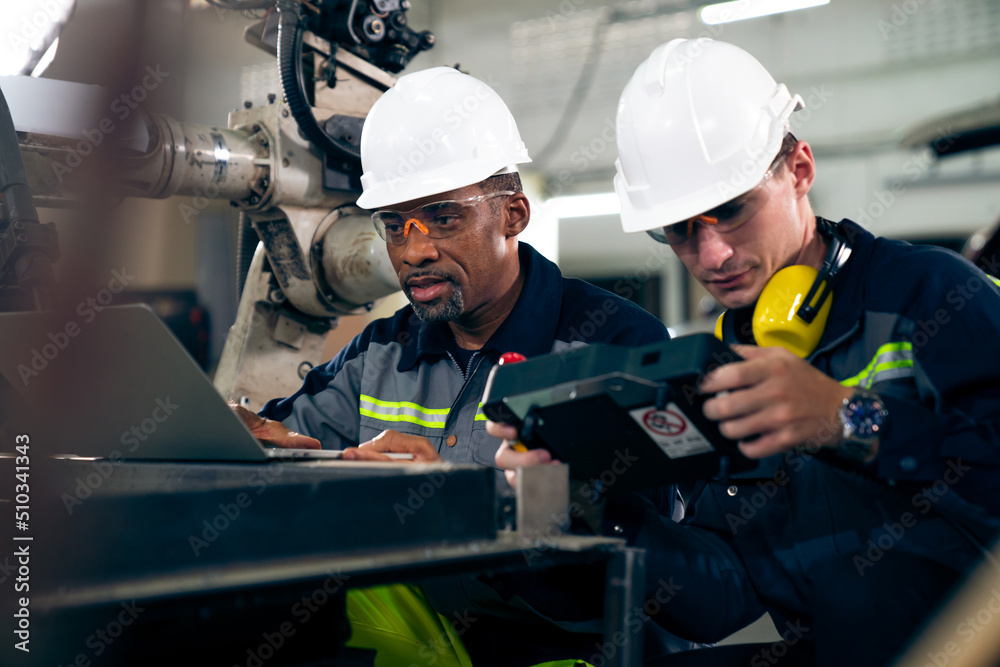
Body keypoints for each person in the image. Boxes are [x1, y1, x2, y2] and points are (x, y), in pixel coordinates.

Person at [493, 39, 1000, 666]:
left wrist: (847, 419)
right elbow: (725, 597)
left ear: (800, 170)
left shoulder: (931, 293)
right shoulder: (722, 364)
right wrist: (590, 510)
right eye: (678, 232)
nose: (711, 258)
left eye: (731, 212)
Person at [234, 66, 674, 667]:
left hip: (566, 646)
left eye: (444, 218)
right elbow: (296, 438)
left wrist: (464, 503)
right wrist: (258, 442)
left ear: (513, 214)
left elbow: (647, 561)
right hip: (437, 636)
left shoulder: (615, 346)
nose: (414, 251)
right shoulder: (381, 352)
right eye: (394, 224)